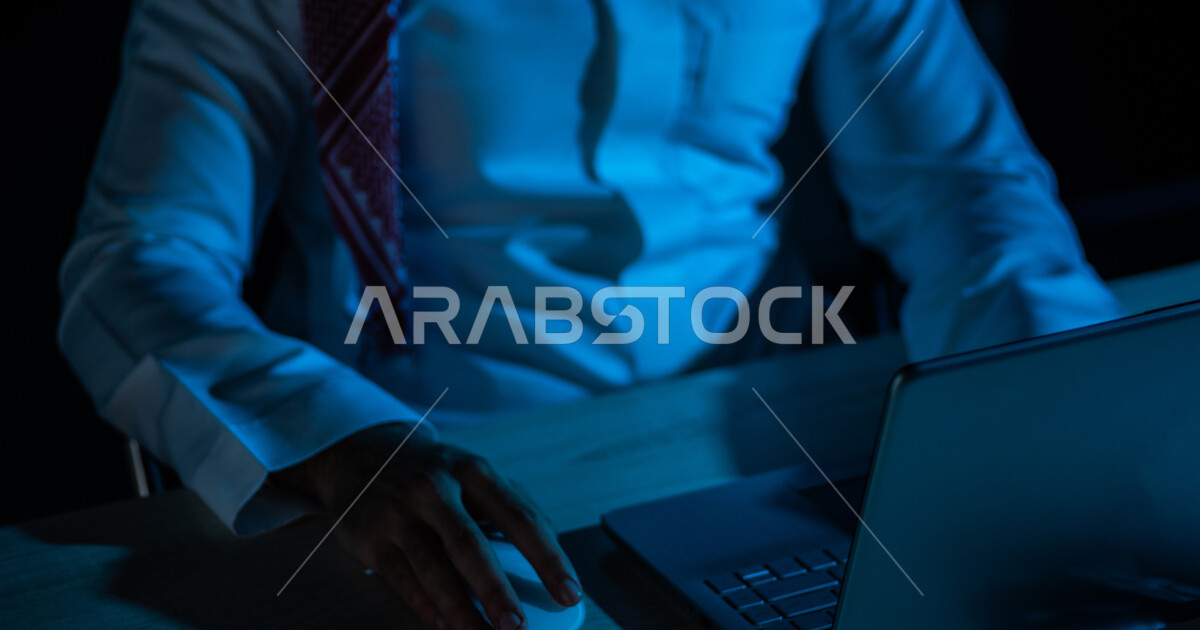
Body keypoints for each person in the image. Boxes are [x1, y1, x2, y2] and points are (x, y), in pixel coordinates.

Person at [58, 1, 1123, 629]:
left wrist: (1054, 425)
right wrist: (332, 437)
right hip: (438, 487)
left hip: (777, 462)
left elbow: (966, 191)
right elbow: (138, 257)